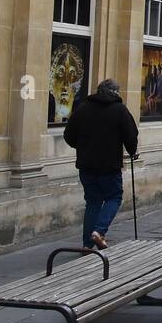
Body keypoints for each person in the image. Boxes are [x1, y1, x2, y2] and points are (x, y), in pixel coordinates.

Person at [64, 78, 139, 250]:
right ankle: (99, 231)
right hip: (109, 166)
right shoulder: (119, 110)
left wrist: (82, 147)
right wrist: (132, 151)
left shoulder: (83, 108)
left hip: (86, 165)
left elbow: (68, 135)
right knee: (114, 197)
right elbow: (131, 135)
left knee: (92, 202)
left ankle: (87, 245)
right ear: (115, 93)